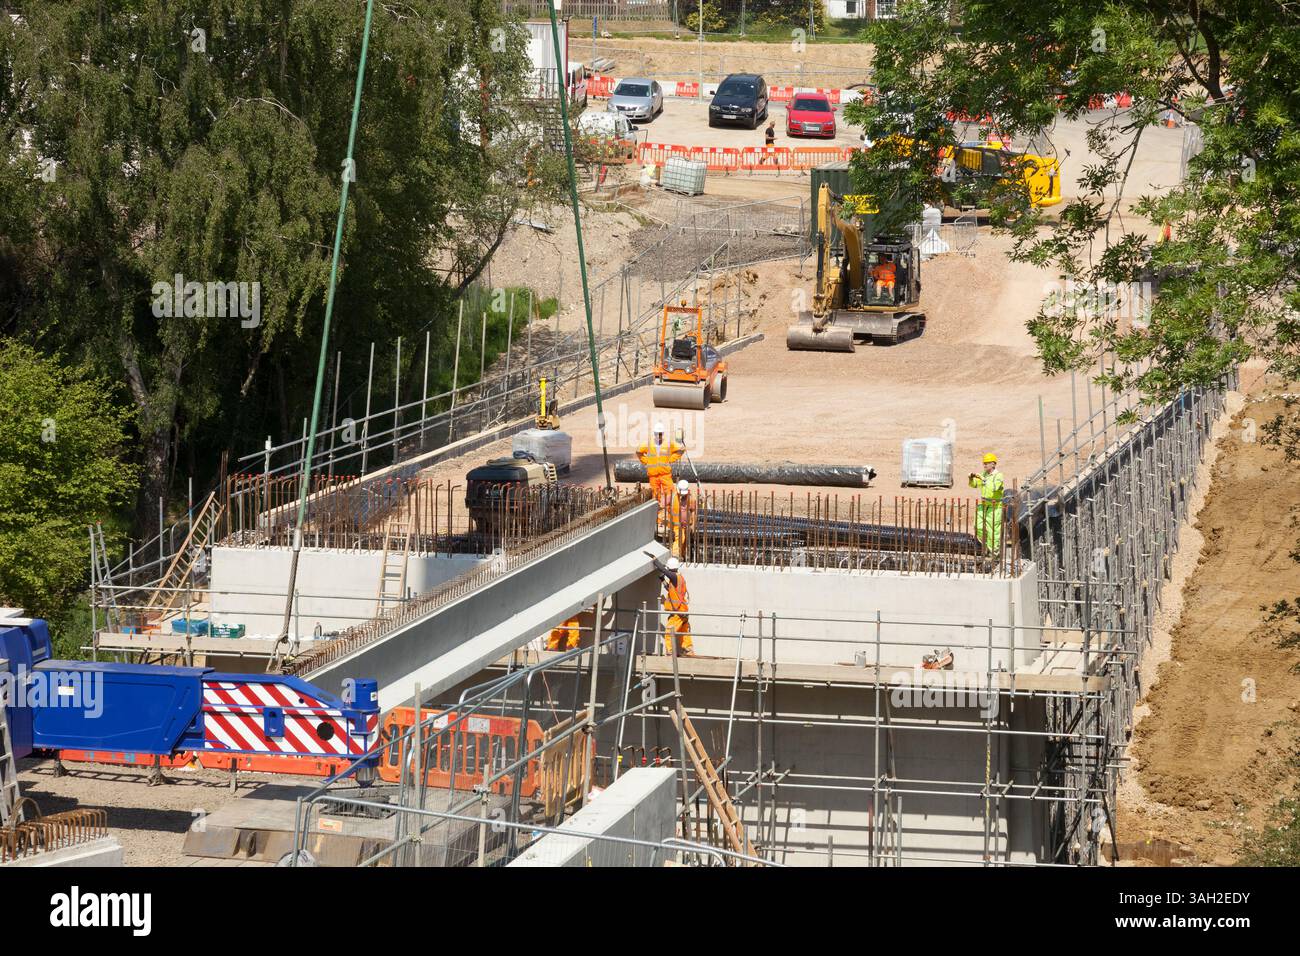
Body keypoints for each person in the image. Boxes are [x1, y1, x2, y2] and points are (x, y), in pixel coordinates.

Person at [636, 421, 684, 506]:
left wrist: (671, 459)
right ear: (654, 434)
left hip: (665, 474)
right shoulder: (648, 444)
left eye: (660, 434)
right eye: (657, 434)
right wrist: (646, 461)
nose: (658, 436)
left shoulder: (668, 444)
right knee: (655, 496)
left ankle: (668, 511)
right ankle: (657, 513)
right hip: (653, 475)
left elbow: (681, 449)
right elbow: (638, 451)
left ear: (663, 433)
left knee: (670, 493)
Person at [968, 453, 1005, 554]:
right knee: (978, 526)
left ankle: (994, 554)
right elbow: (975, 485)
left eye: (987, 463)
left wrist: (983, 480)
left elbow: (994, 488)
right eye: (984, 463)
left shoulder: (998, 476)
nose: (985, 465)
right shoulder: (984, 474)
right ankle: (985, 547)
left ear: (993, 464)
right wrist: (971, 478)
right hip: (984, 505)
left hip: (995, 506)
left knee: (993, 530)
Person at [657, 556, 694, 656]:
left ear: (670, 568)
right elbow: (670, 590)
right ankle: (688, 650)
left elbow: (664, 570)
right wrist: (662, 579)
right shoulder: (678, 578)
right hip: (683, 611)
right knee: (684, 632)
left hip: (678, 612)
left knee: (669, 632)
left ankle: (670, 652)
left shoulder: (674, 577)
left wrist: (655, 561)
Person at [669, 478, 697, 558]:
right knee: (681, 538)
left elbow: (694, 511)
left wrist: (693, 525)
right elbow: (666, 507)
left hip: (687, 524)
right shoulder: (673, 496)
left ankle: (682, 555)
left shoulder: (691, 497)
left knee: (685, 541)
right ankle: (674, 555)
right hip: (676, 524)